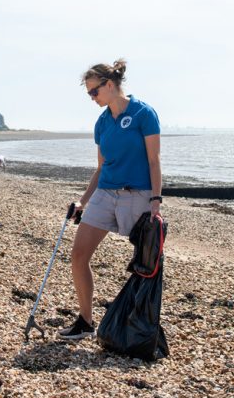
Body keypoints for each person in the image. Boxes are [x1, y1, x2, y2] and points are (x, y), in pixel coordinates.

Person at [58, 59, 162, 340]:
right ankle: (85, 321)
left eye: (94, 92)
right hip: (105, 193)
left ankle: (141, 323)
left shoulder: (143, 113)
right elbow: (101, 167)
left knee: (145, 262)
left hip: (137, 194)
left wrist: (156, 199)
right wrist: (83, 201)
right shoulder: (102, 123)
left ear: (110, 85)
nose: (92, 98)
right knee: (79, 255)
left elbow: (153, 160)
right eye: (89, 94)